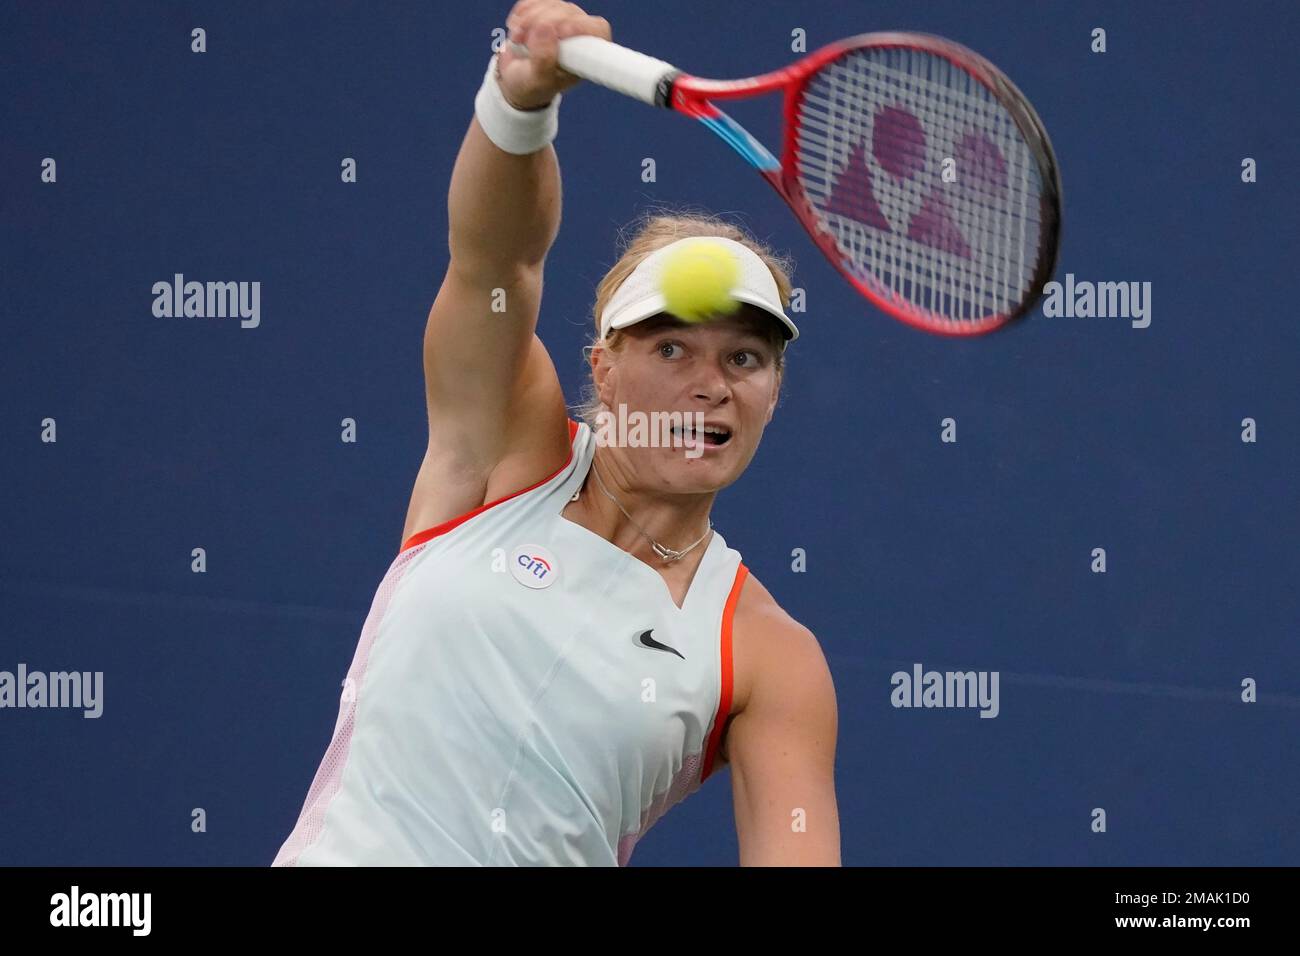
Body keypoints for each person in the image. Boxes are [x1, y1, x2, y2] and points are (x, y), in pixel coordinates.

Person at [273, 0, 839, 866]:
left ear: (773, 394)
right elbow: (495, 262)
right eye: (673, 345)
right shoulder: (506, 448)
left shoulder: (769, 657)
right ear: (603, 367)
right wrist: (521, 104)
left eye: (746, 359)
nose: (710, 386)